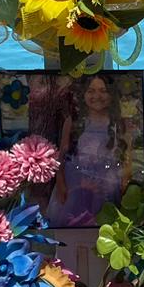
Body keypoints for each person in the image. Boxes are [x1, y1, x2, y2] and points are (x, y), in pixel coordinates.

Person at [49, 74, 126, 226]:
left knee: (104, 218)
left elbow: (125, 154)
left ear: (111, 95)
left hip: (106, 180)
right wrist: (60, 182)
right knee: (74, 218)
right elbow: (62, 153)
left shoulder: (117, 123)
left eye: (103, 90)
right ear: (83, 95)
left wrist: (124, 181)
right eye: (91, 91)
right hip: (76, 179)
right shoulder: (73, 121)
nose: (97, 96)